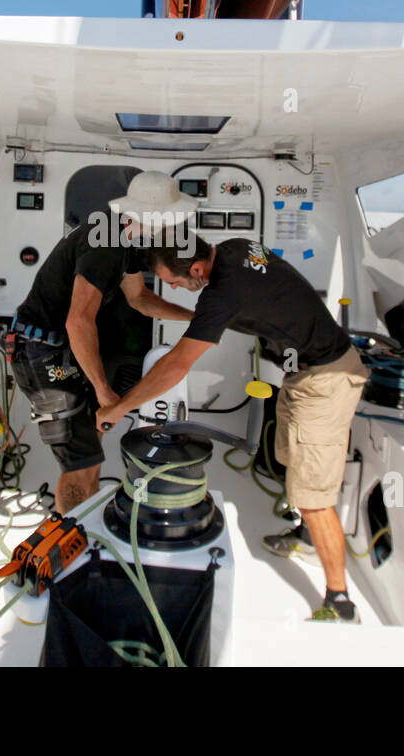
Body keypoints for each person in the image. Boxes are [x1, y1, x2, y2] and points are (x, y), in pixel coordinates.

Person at [97, 235, 368, 622]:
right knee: (289, 458)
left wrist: (119, 406)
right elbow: (269, 292)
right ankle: (307, 539)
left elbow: (176, 365)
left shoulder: (222, 293)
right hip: (303, 373)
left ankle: (341, 601)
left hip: (328, 379)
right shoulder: (237, 247)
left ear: (195, 270)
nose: (172, 288)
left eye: (172, 282)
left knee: (313, 494)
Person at [11, 172, 196, 513]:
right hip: (42, 354)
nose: (175, 227)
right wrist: (102, 390)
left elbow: (139, 298)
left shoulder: (122, 240)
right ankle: (70, 540)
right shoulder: (106, 242)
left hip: (63, 352)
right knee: (80, 461)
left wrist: (193, 318)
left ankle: (86, 528)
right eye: (173, 219)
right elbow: (78, 319)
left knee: (92, 448)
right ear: (155, 217)